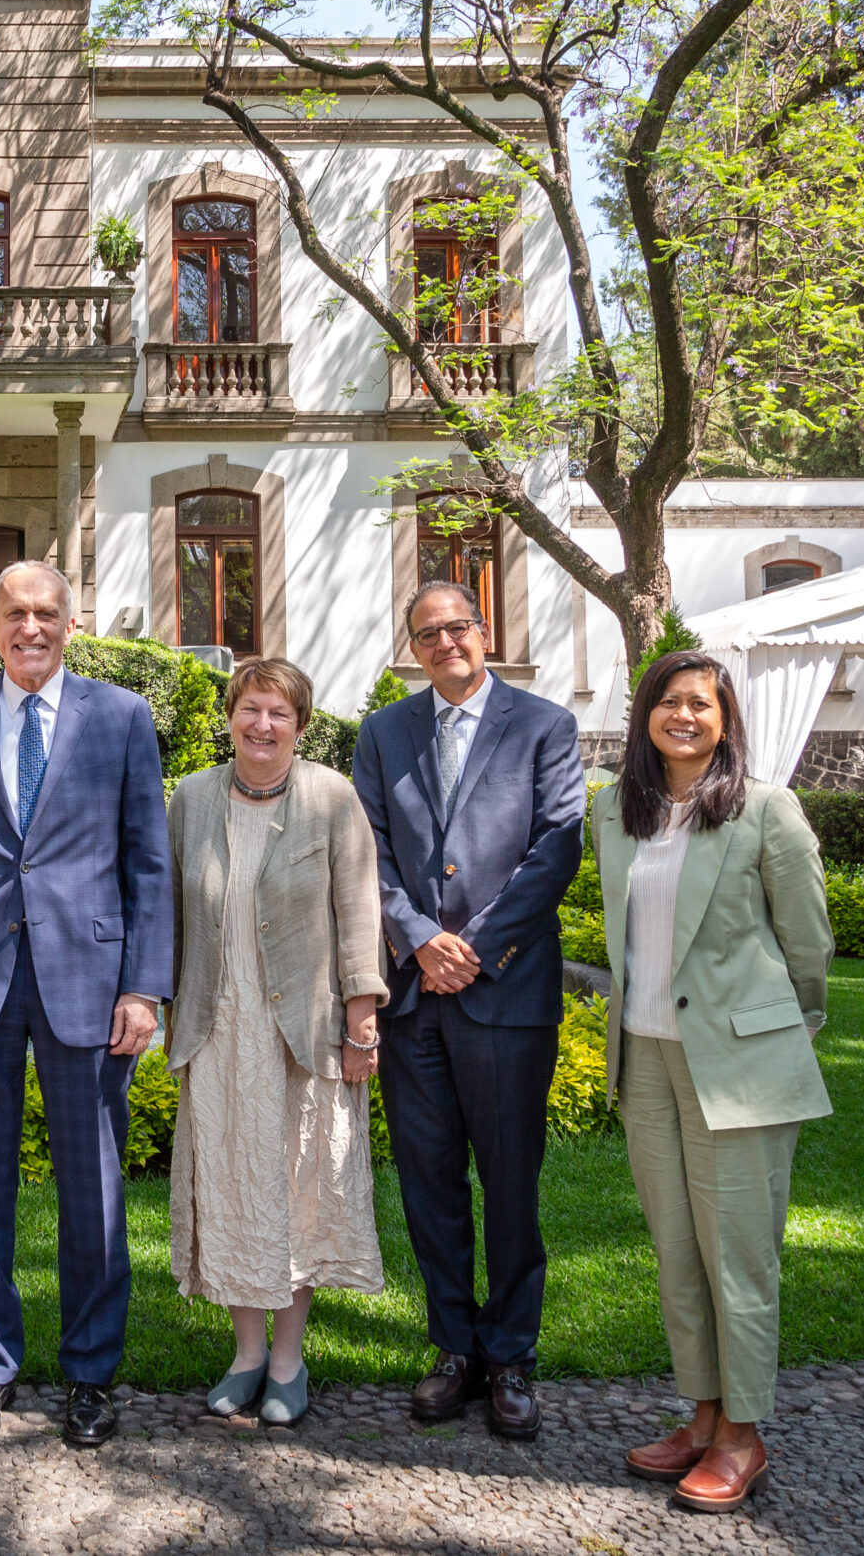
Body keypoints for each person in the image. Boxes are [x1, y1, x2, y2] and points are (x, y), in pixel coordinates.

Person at [0, 559, 174, 1448]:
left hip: (89, 984)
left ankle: (91, 1371)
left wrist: (143, 983)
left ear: (71, 622)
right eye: (15, 613)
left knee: (92, 1188)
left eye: (47, 612)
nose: (31, 627)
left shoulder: (122, 718)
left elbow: (147, 862)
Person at [595, 650, 831, 1513]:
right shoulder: (614, 814)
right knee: (679, 1254)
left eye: (702, 703)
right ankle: (701, 1416)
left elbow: (809, 946)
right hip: (647, 1057)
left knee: (738, 1256)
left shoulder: (768, 812)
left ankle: (744, 1435)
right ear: (646, 713)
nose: (684, 715)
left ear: (726, 720)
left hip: (742, 1065)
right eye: (669, 700)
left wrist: (780, 1031)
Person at [353, 579, 583, 1441]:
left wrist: (475, 946)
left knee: (511, 1182)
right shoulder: (383, 733)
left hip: (506, 992)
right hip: (416, 998)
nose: (446, 641)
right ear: (413, 648)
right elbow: (364, 849)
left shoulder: (544, 725)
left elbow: (558, 845)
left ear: (482, 632)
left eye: (458, 626)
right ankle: (453, 1346)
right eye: (428, 633)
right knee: (429, 1182)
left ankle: (512, 1354)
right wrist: (417, 938)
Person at [164, 657, 386, 1428]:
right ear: (229, 714)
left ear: (301, 724)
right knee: (231, 1190)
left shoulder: (332, 796)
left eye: (278, 714)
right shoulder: (191, 798)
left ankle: (289, 1363)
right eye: (250, 709)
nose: (262, 725)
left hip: (302, 1031)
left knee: (295, 1191)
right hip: (218, 1029)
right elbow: (170, 911)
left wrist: (362, 1017)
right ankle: (246, 1355)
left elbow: (358, 908)